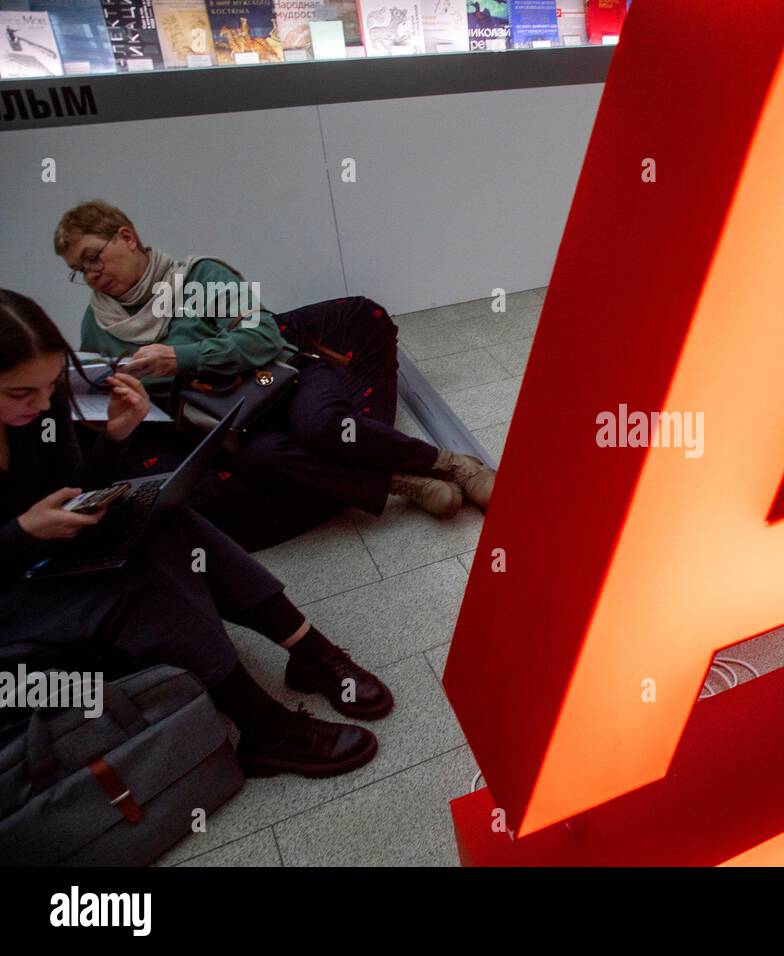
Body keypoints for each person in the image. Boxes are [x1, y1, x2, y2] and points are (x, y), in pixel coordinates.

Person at [0, 289, 395, 777]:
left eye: (49, 388)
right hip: (12, 600)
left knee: (166, 519)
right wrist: (20, 533)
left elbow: (74, 488)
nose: (42, 405)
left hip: (48, 553)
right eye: (22, 394)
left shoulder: (42, 409)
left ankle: (310, 651)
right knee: (138, 581)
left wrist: (115, 437)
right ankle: (265, 728)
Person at [52, 199, 495, 523]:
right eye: (79, 269)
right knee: (259, 461)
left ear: (126, 238)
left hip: (280, 376)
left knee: (320, 425)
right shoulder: (98, 324)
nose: (91, 274)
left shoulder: (199, 276)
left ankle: (446, 462)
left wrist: (181, 358)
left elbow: (262, 337)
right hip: (222, 418)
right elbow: (123, 393)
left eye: (93, 257)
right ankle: (400, 482)